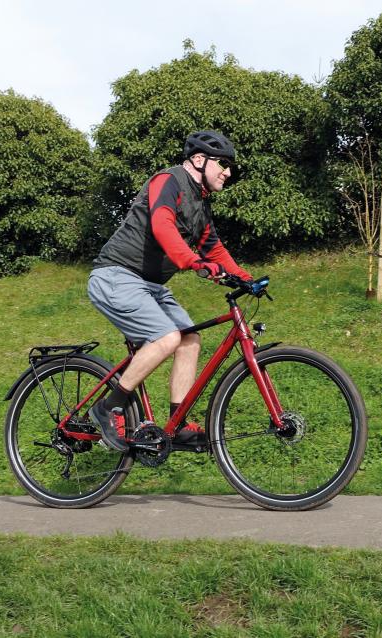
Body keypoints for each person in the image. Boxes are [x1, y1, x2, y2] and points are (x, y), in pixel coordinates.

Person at [86, 130, 252, 451]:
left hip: (149, 286)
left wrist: (246, 279)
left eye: (230, 166)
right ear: (199, 160)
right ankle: (107, 408)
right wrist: (190, 261)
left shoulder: (201, 206)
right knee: (167, 337)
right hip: (116, 276)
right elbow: (162, 224)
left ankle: (177, 424)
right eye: (223, 164)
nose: (228, 172)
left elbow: (214, 249)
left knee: (189, 338)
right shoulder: (169, 180)